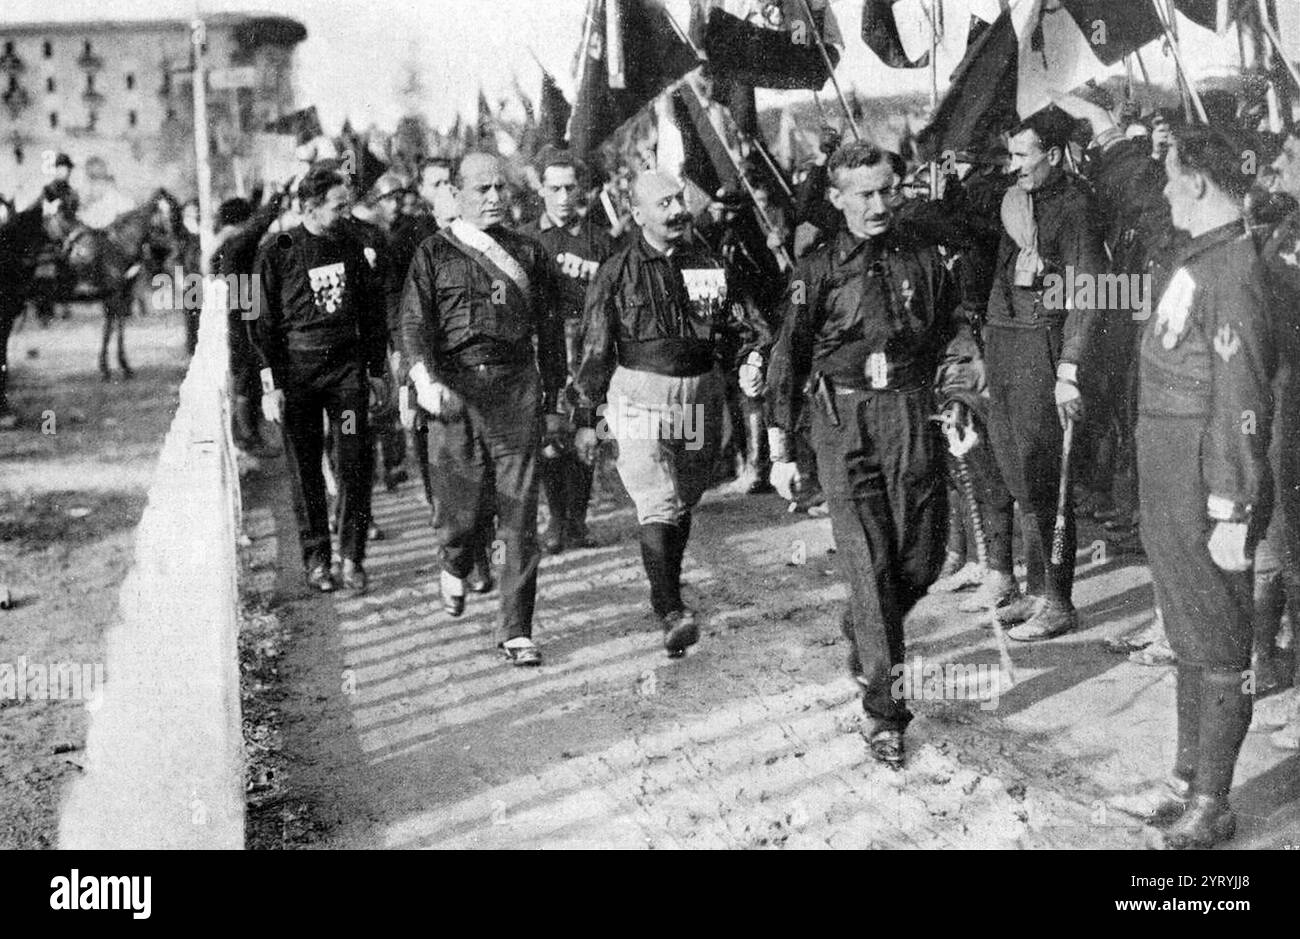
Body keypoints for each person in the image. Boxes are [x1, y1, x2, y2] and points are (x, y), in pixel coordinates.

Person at [765, 141, 981, 769]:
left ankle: (866, 627)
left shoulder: (922, 256)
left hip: (911, 410)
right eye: (864, 194)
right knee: (870, 562)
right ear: (837, 199)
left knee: (923, 559)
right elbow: (789, 355)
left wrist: (961, 394)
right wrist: (782, 445)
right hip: (843, 419)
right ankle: (885, 714)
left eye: (889, 189)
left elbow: (950, 332)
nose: (880, 204)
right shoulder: (816, 270)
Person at [1125, 124, 1275, 849]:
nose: (1163, 188)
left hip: (1206, 481)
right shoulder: (1202, 259)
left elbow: (1242, 398)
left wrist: (1233, 506)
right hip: (1170, 468)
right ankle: (1186, 781)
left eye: (1170, 173)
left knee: (1218, 643)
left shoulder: (1235, 272)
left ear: (1197, 182)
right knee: (1188, 633)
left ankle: (1212, 803)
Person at [573, 170, 763, 657]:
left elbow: (742, 326)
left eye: (680, 199)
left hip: (699, 393)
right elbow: (595, 348)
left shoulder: (709, 264)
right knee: (656, 499)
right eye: (664, 203)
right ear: (637, 215)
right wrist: (584, 416)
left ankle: (668, 587)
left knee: (684, 497)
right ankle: (670, 608)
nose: (678, 210)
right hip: (638, 395)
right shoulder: (616, 271)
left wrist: (750, 359)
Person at [400, 152, 565, 667]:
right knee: (460, 512)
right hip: (455, 395)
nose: (494, 198)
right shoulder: (432, 253)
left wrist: (556, 401)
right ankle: (453, 561)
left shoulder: (530, 254)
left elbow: (552, 333)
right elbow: (413, 326)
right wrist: (424, 380)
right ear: (456, 193)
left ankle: (516, 629)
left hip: (515, 391)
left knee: (518, 512)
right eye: (481, 190)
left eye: (500, 188)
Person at [980, 108, 1107, 642]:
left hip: (1042, 344)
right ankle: (1035, 591)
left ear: (1052, 155)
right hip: (1004, 339)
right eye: (1011, 156)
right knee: (1015, 468)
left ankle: (1059, 600)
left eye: (1023, 155)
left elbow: (1089, 289)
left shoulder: (1077, 205)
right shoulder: (1016, 201)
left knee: (1044, 470)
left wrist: (1070, 366)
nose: (1015, 167)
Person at [252, 162, 389, 594]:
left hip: (346, 373)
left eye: (347, 206)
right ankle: (317, 560)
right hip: (299, 376)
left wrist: (376, 371)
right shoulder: (278, 249)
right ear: (310, 207)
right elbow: (260, 322)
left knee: (354, 459)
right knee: (305, 468)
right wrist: (269, 384)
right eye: (337, 207)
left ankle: (352, 556)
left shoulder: (352, 242)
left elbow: (372, 310)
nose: (345, 214)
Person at [519, 147, 613, 554]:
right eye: (553, 188)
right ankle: (556, 518)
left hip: (590, 344)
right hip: (544, 345)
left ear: (583, 190)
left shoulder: (600, 241)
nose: (562, 197)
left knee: (585, 428)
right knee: (550, 431)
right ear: (540, 189)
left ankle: (578, 519)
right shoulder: (524, 239)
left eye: (569, 188)